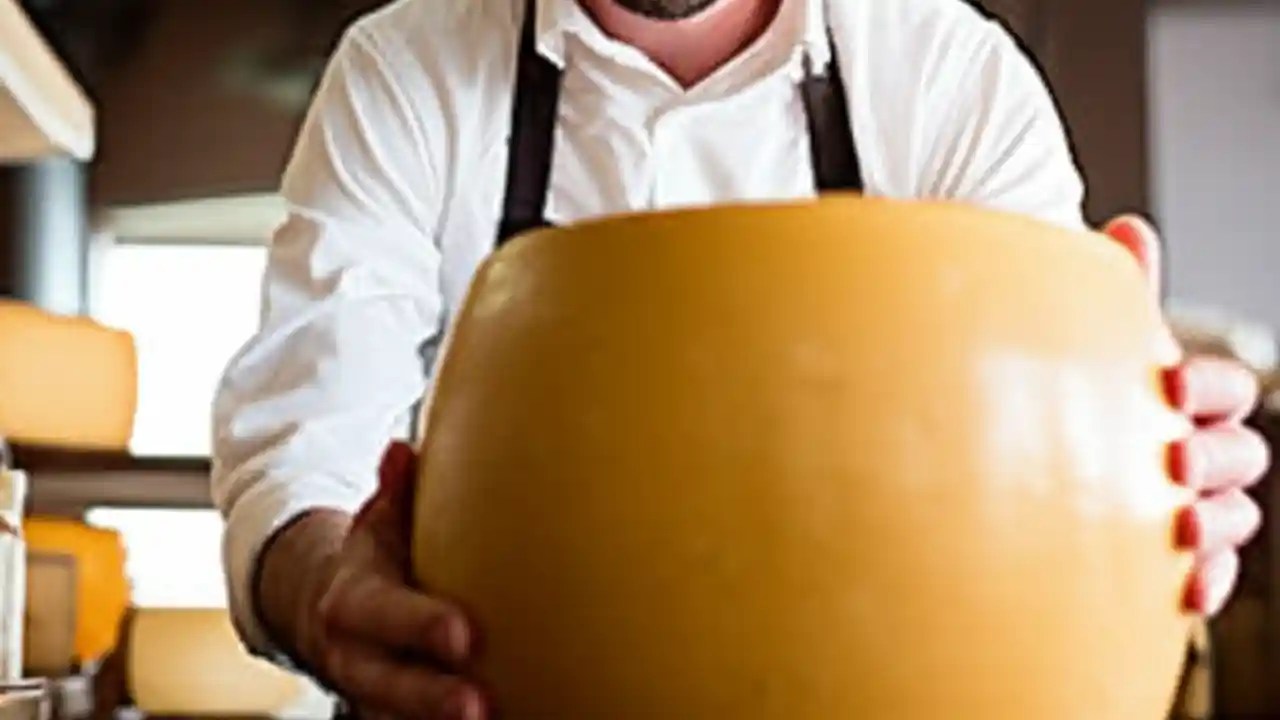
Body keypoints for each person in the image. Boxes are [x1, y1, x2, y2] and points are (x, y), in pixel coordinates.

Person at [210, 0, 1270, 717]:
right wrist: (326, 593)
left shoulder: (944, 69)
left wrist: (1145, 482)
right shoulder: (412, 65)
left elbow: (1055, 427)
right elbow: (311, 440)